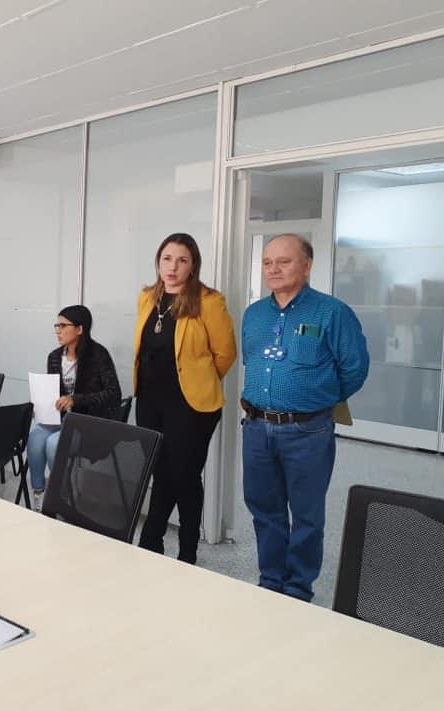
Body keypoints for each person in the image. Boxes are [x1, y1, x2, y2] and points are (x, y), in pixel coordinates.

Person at [242, 233, 369, 602]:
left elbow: (354, 369)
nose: (274, 269)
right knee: (264, 510)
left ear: (307, 265)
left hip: (307, 431)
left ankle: (298, 589)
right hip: (256, 428)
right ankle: (270, 581)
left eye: (284, 261)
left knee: (307, 515)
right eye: (267, 263)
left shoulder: (332, 313)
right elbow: (252, 361)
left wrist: (320, 399)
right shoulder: (254, 313)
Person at [134, 233, 237, 564]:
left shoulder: (208, 301)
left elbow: (226, 354)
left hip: (192, 406)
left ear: (193, 265)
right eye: (167, 258)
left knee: (184, 474)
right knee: (159, 471)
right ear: (158, 261)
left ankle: (187, 549)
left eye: (182, 260)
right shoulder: (148, 297)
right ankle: (153, 542)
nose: (173, 267)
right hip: (150, 400)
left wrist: (200, 380)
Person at [26, 305, 121, 511]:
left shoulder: (98, 355)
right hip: (61, 421)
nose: (57, 330)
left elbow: (114, 394)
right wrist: (43, 405)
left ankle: (60, 494)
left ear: (80, 329)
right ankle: (39, 495)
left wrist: (76, 399)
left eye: (63, 325)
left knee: (52, 443)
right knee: (35, 437)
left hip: (88, 425)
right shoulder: (54, 357)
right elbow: (54, 393)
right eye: (56, 325)